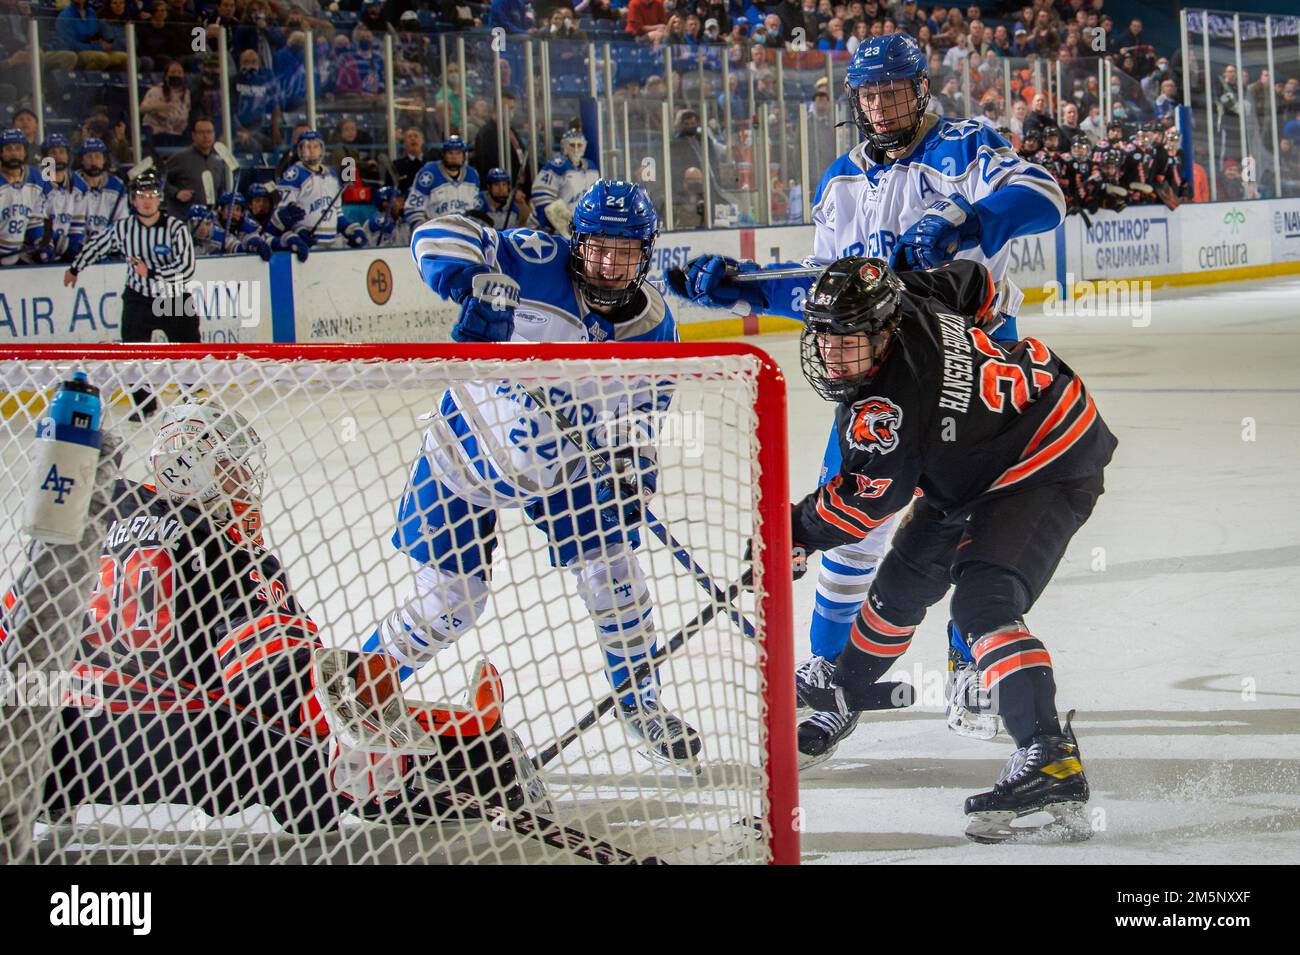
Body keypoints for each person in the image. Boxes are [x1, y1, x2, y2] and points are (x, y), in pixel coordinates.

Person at [668, 33, 1066, 766]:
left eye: (894, 92)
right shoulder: (840, 180)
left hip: (971, 363)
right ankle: (825, 671)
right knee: (852, 517)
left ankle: (969, 663)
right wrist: (742, 284)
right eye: (870, 95)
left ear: (921, 89)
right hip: (881, 370)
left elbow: (1045, 196)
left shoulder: (966, 146)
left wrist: (966, 219)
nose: (882, 107)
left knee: (969, 519)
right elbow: (827, 289)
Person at [0, 400, 536, 845]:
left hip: (61, 757)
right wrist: (346, 731)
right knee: (310, 737)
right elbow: (277, 680)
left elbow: (19, 629)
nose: (245, 483)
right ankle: (484, 758)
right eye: (233, 468)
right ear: (200, 472)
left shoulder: (105, 511)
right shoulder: (232, 553)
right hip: (184, 756)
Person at [376, 180, 700, 766]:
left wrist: (634, 470)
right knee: (450, 604)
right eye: (597, 247)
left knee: (616, 578)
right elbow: (434, 234)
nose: (607, 263)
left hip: (568, 470)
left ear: (646, 252)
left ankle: (641, 703)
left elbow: (643, 413)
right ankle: (367, 686)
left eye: (624, 251)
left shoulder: (654, 325)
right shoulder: (532, 259)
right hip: (465, 449)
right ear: (576, 243)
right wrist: (469, 281)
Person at [787, 266, 1114, 839]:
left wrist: (789, 532)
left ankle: (1049, 757)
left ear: (884, 333)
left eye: (850, 341)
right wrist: (975, 370)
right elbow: (975, 283)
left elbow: (856, 510)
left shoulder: (887, 412)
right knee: (900, 588)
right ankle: (849, 691)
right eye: (826, 338)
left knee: (983, 607)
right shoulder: (910, 298)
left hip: (1047, 458)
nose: (834, 356)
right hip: (975, 461)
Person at [64, 170, 195, 418]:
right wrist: (75, 267)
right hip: (139, 297)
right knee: (134, 353)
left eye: (152, 195)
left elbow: (187, 268)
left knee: (188, 351)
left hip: (175, 298)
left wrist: (153, 272)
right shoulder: (123, 229)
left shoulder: (176, 228)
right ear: (133, 200)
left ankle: (193, 402)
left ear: (159, 199)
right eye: (141, 195)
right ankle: (145, 406)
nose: (147, 200)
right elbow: (97, 245)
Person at [267, 128, 368, 260]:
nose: (311, 150)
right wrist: (299, 230)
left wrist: (349, 229)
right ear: (300, 150)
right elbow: (283, 214)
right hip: (307, 246)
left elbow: (337, 212)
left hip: (333, 245)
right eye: (306, 146)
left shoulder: (331, 174)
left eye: (315, 146)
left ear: (321, 149)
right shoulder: (294, 174)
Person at [528, 129, 600, 237]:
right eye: (572, 145)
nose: (576, 149)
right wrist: (562, 225)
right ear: (565, 146)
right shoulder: (556, 166)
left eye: (579, 145)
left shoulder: (592, 167)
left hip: (577, 229)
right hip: (545, 231)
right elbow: (541, 197)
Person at [403, 134, 480, 229]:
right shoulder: (429, 173)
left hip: (464, 233)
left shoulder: (472, 175)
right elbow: (413, 209)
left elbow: (476, 209)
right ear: (443, 154)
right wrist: (424, 231)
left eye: (458, 153)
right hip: (436, 234)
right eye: (450, 153)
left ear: (464, 156)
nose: (454, 157)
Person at [0, 128, 48, 266]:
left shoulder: (37, 178)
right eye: (8, 149)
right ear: (1, 153)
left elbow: (35, 221)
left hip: (17, 258)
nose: (14, 153)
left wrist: (40, 243)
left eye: (18, 148)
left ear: (25, 152)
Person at [40, 134, 87, 263]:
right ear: (45, 157)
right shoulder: (37, 184)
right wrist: (52, 241)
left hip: (63, 249)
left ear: (68, 156)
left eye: (62, 152)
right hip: (37, 249)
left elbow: (77, 226)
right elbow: (36, 223)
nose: (58, 156)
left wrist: (72, 247)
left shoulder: (80, 185)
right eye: (53, 152)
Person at [77, 137, 129, 246]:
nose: (93, 161)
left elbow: (121, 222)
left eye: (97, 156)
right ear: (82, 160)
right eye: (89, 157)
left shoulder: (116, 185)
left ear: (104, 159)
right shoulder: (73, 184)